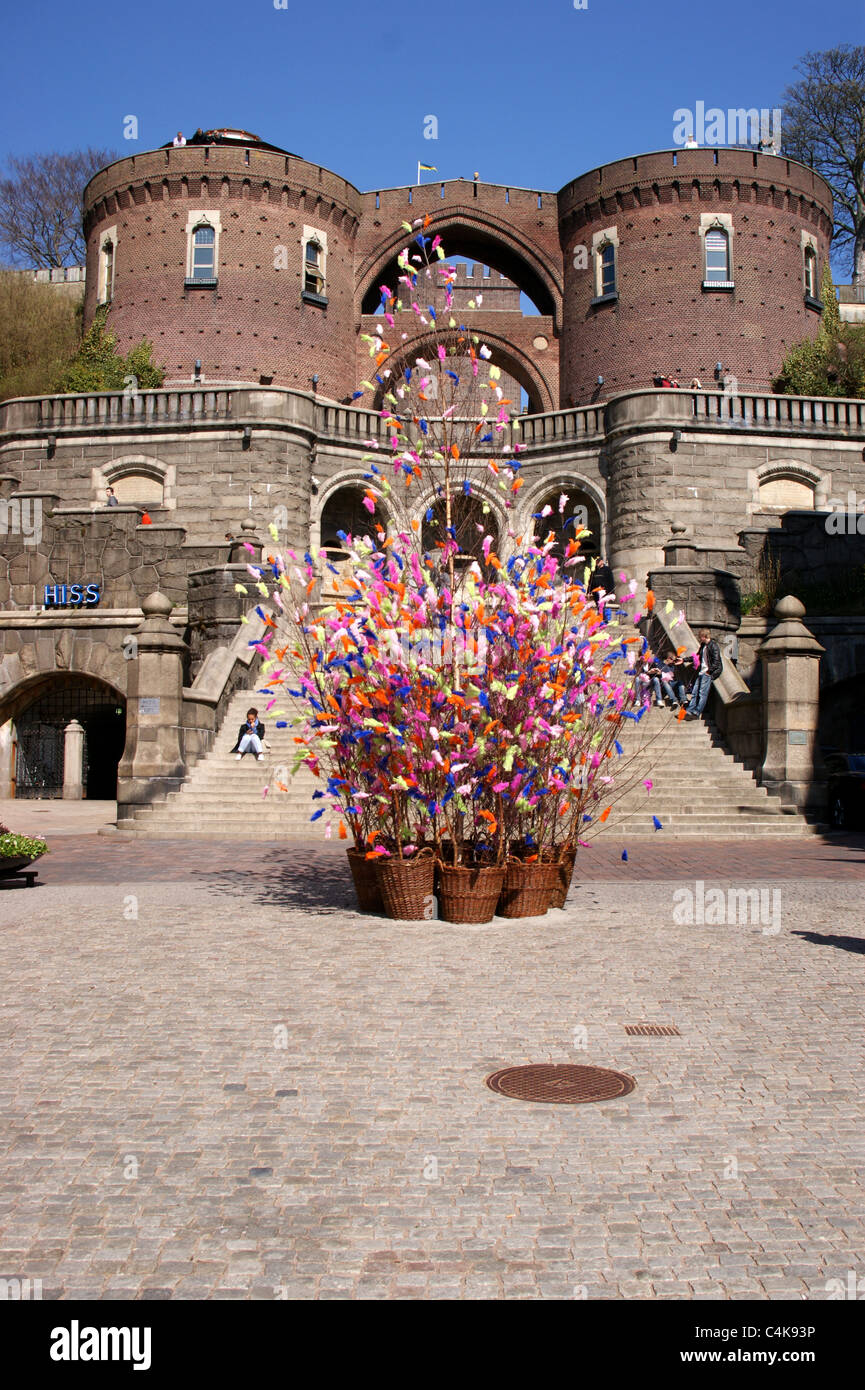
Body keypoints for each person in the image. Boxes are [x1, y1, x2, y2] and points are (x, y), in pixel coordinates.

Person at [685, 628, 723, 720]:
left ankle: (696, 713)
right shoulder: (703, 645)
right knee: (694, 692)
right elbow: (697, 657)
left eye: (700, 637)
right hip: (701, 672)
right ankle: (689, 711)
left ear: (704, 636)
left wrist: (709, 672)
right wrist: (683, 660)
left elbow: (716, 662)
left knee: (702, 693)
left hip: (707, 673)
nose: (699, 639)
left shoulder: (713, 646)